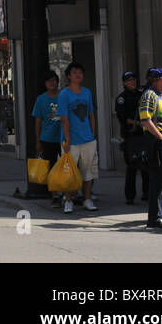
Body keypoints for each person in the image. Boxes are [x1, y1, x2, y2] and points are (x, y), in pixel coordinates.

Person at [58, 62, 99, 213]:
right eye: (74, 72)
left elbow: (91, 115)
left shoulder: (87, 92)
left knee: (88, 170)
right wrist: (67, 140)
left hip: (88, 139)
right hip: (72, 141)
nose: (78, 75)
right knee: (70, 172)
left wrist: (93, 134)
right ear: (68, 76)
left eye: (80, 72)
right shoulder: (64, 94)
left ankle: (87, 199)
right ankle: (68, 200)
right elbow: (64, 120)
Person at [140, 68, 162, 229]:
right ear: (157, 79)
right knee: (157, 180)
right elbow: (145, 120)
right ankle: (154, 218)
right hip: (157, 140)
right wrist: (160, 138)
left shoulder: (161, 96)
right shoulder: (149, 95)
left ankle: (161, 215)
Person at [114, 71, 149, 205]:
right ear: (124, 82)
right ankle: (130, 196)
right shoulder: (121, 98)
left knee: (146, 164)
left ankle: (147, 192)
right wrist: (138, 123)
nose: (132, 82)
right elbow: (123, 118)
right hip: (131, 136)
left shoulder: (141, 94)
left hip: (144, 134)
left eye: (134, 79)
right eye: (128, 80)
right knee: (131, 166)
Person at [30, 72, 64, 206]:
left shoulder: (64, 96)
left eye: (54, 80)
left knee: (68, 165)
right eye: (49, 81)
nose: (52, 83)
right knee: (51, 167)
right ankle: (55, 195)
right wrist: (38, 141)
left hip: (64, 137)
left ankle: (70, 192)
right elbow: (37, 121)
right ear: (45, 84)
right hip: (47, 138)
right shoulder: (41, 99)